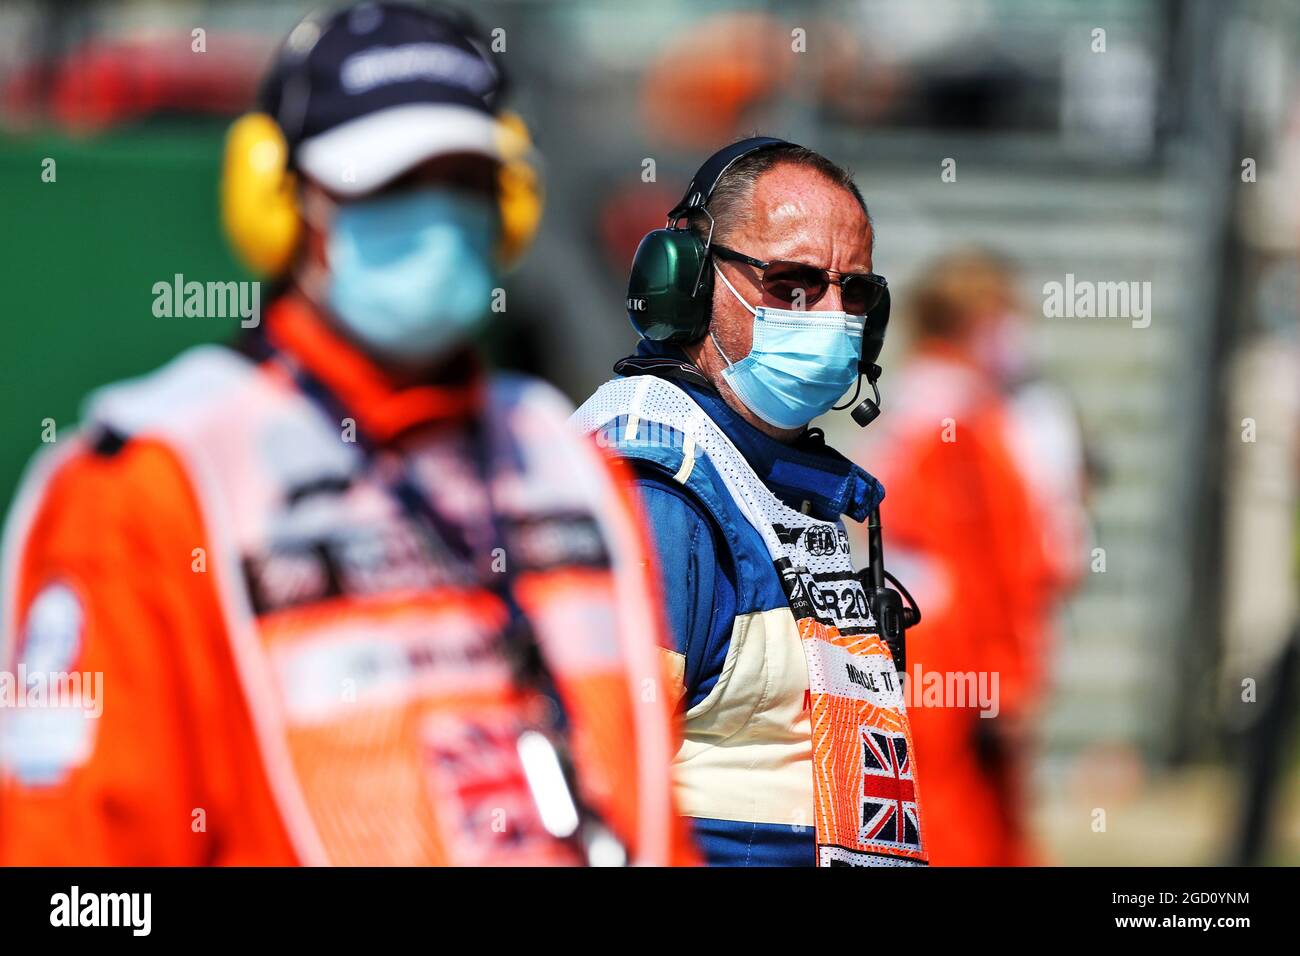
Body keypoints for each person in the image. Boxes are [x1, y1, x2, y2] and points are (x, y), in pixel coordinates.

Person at [0, 2, 692, 867]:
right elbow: (81, 877)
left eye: (462, 183)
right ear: (279, 205)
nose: (435, 219)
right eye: (388, 186)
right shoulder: (152, 481)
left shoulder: (571, 460)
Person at [572, 137, 927, 867]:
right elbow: (597, 794)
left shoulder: (782, 479)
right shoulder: (658, 494)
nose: (832, 315)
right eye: (792, 283)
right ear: (690, 286)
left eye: (854, 292)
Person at [855, 249, 1086, 865]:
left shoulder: (918, 402)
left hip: (918, 636)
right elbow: (986, 558)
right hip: (951, 646)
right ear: (977, 320)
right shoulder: (959, 421)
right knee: (963, 821)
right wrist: (1007, 677)